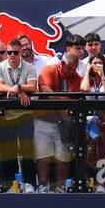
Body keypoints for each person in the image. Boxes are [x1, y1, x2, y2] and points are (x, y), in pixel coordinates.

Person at [36, 47, 83, 191]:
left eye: (74, 69)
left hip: (64, 124)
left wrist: (63, 103)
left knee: (63, 158)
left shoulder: (76, 77)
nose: (72, 72)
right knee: (43, 157)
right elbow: (45, 90)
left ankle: (60, 187)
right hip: (44, 120)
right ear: (62, 63)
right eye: (69, 69)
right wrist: (63, 100)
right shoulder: (48, 69)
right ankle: (43, 186)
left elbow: (78, 96)